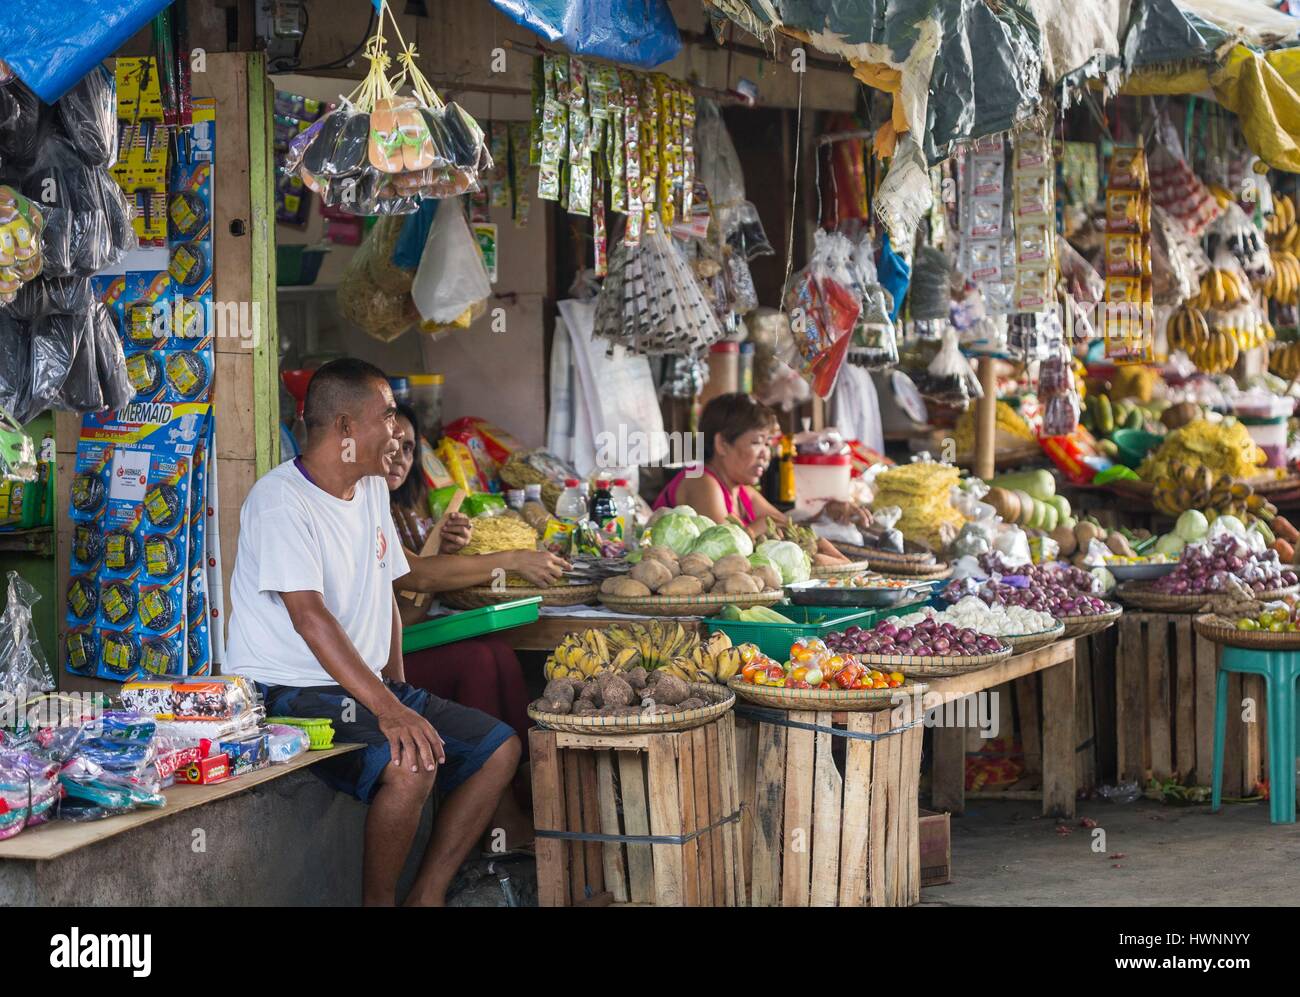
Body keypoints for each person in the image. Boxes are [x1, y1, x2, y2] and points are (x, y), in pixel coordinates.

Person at [226, 358, 519, 907]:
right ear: (344, 428)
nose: (395, 431)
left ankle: (425, 895)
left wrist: (401, 688)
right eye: (385, 417)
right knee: (411, 766)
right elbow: (309, 618)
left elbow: (387, 585)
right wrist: (389, 708)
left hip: (358, 687)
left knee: (499, 749)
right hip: (286, 691)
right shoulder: (280, 501)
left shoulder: (371, 492)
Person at [385, 401, 567, 850]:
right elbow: (416, 580)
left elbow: (411, 591)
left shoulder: (403, 509)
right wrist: (512, 560)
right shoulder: (358, 503)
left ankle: (523, 795)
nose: (399, 456)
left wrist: (439, 544)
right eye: (391, 444)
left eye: (409, 448)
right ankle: (501, 818)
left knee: (499, 654)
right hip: (373, 666)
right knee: (477, 662)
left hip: (404, 637)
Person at [652, 393, 868, 555]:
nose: (766, 454)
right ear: (722, 443)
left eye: (767, 443)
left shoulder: (742, 490)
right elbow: (726, 551)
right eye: (756, 442)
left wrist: (825, 514)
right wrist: (759, 527)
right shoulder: (701, 481)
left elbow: (789, 527)